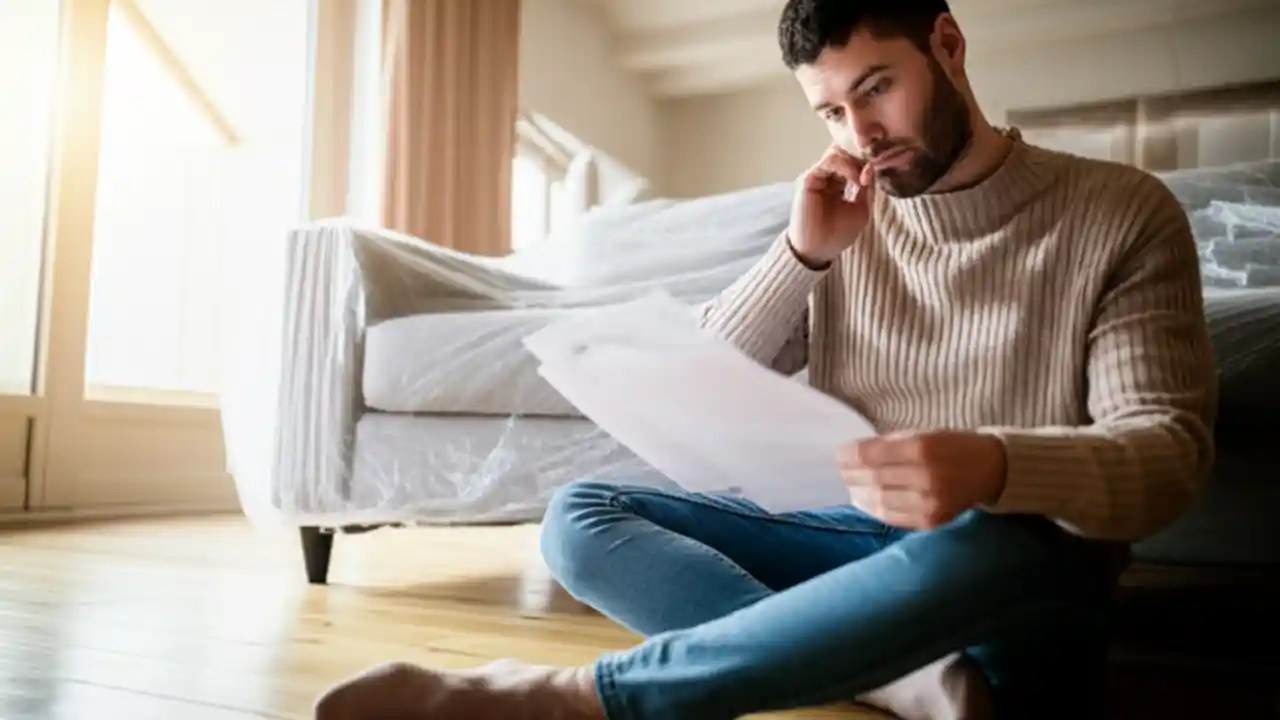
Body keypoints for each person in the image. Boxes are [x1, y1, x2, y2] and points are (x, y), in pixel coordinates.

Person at [313, 1, 1217, 718]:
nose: (860, 133)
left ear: (947, 44)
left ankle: (585, 699)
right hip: (850, 538)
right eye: (831, 109)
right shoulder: (850, 217)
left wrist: (999, 463)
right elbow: (700, 373)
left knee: (1027, 545)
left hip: (1002, 562)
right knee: (581, 513)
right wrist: (803, 255)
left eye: (876, 88)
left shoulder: (1122, 212)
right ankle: (894, 678)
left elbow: (1168, 452)